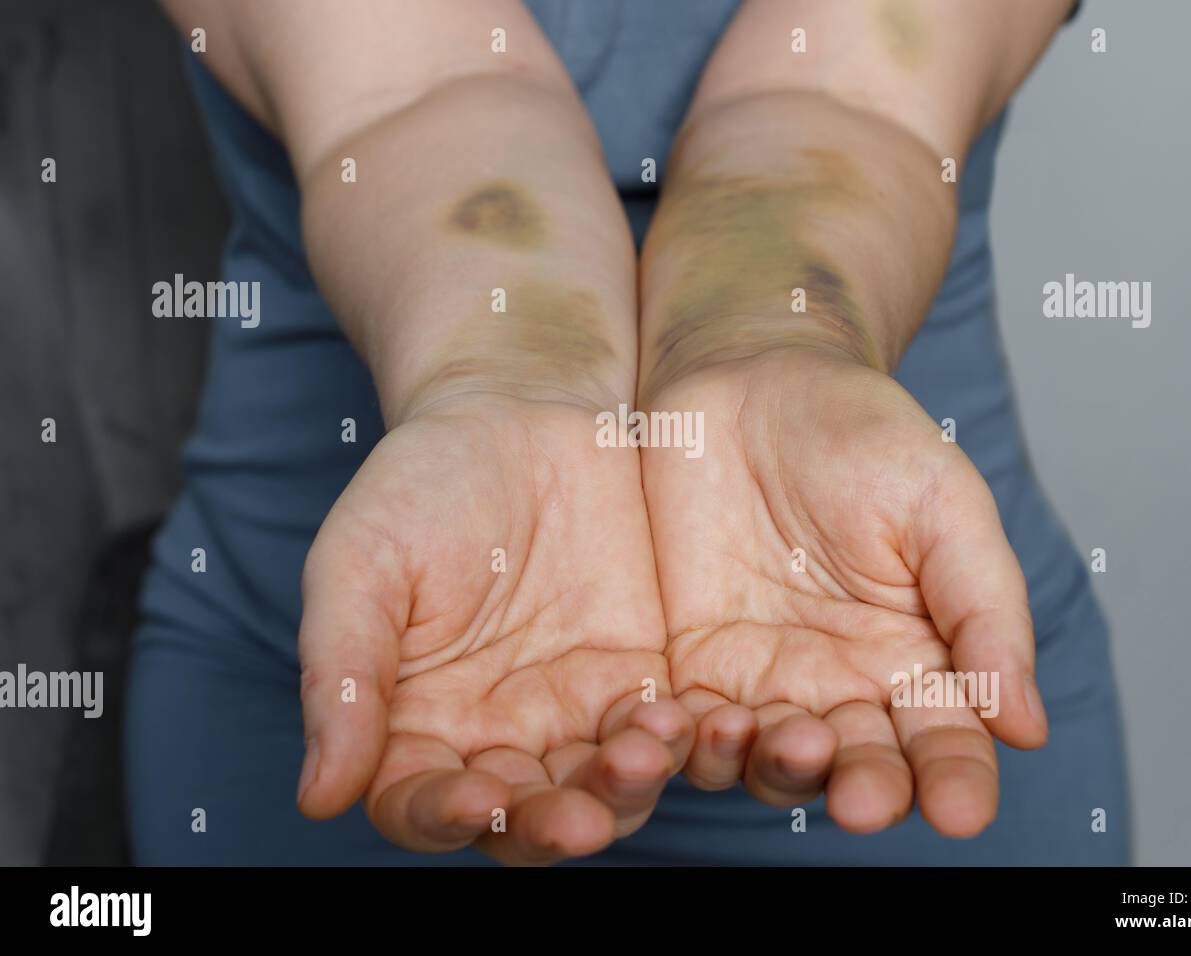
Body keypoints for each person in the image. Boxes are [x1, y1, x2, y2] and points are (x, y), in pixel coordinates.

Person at [126, 0, 1130, 865]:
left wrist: (765, 337)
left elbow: (849, 100)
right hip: (370, 664)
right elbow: (410, 96)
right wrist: (510, 371)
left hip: (883, 636)